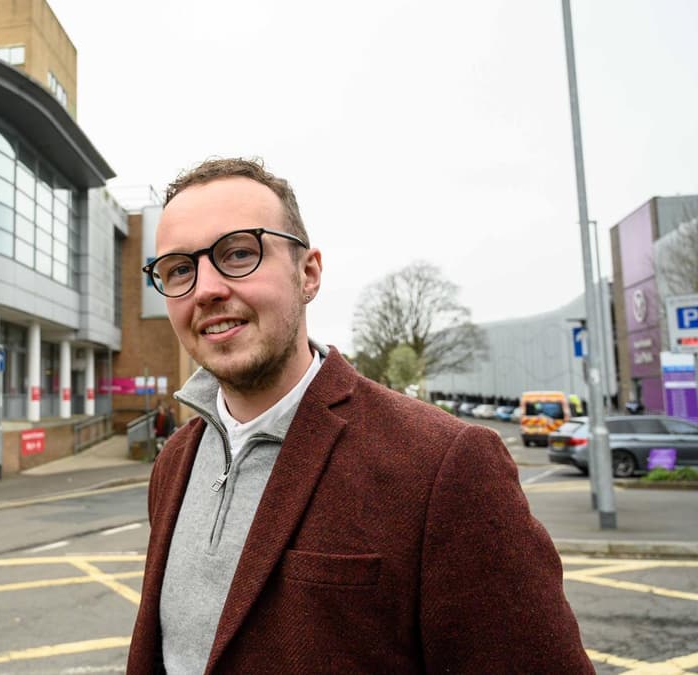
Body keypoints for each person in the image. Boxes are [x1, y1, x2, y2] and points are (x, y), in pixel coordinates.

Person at [126, 158, 592, 673]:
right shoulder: (175, 460)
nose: (205, 289)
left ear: (308, 273)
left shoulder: (445, 464)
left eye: (238, 253)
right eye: (179, 269)